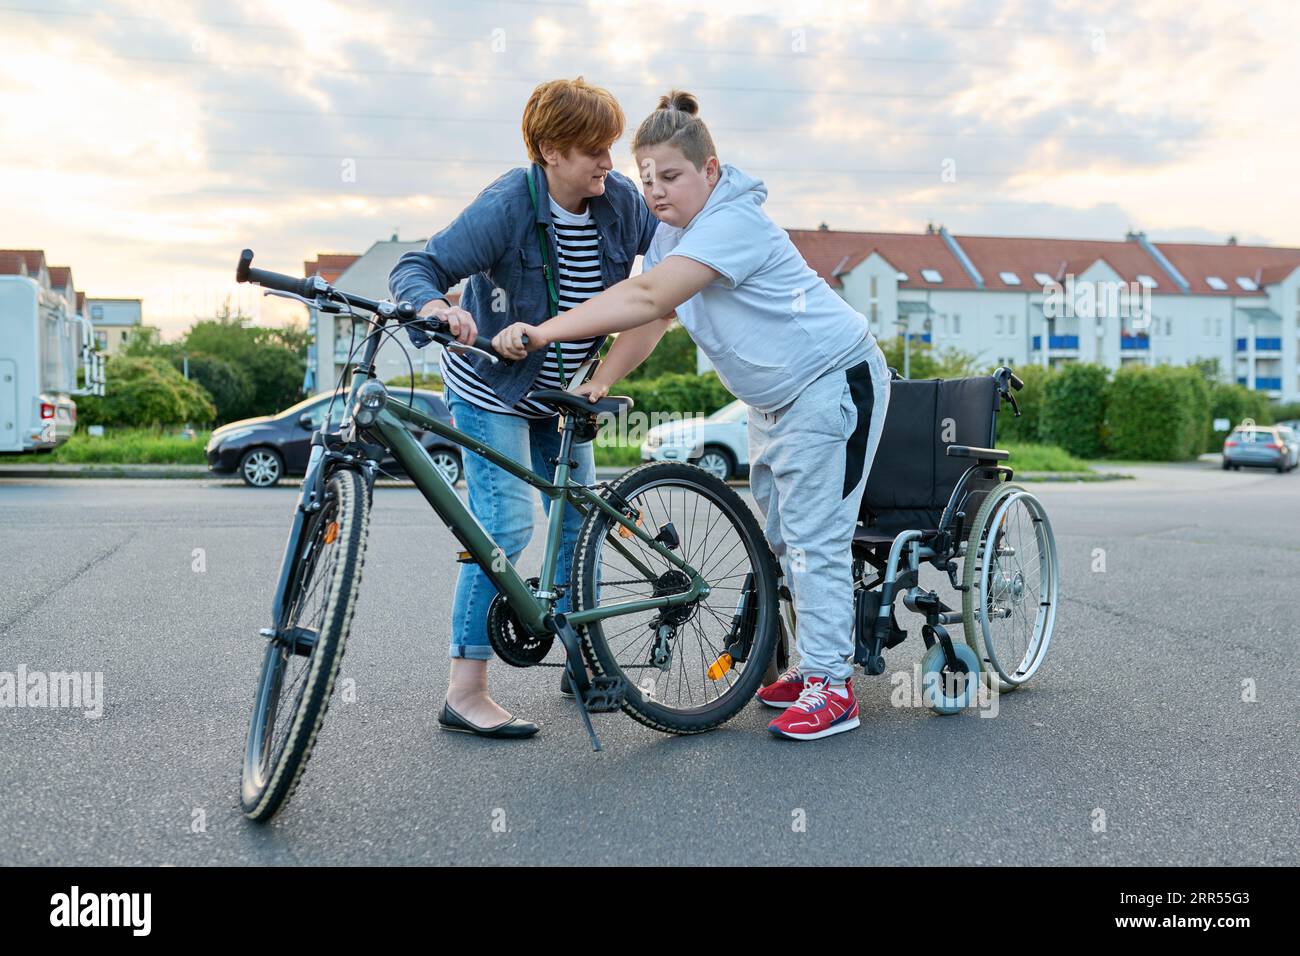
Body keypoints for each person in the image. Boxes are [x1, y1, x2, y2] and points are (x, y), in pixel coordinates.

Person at [492, 90, 892, 741]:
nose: (654, 190)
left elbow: (647, 294)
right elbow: (658, 316)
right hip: (776, 401)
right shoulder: (679, 234)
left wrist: (541, 333)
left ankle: (833, 686)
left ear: (710, 170)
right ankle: (815, 667)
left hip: (831, 382)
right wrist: (598, 380)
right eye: (645, 178)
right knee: (786, 540)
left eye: (670, 176)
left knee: (817, 539)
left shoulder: (734, 222)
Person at [388, 77, 664, 738]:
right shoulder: (509, 204)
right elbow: (418, 266)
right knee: (506, 529)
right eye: (592, 149)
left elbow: (677, 257)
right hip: (494, 388)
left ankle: (581, 661)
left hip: (566, 395)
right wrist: (436, 308)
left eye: (610, 148)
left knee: (578, 532)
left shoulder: (621, 204)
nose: (607, 162)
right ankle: (466, 689)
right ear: (549, 150)